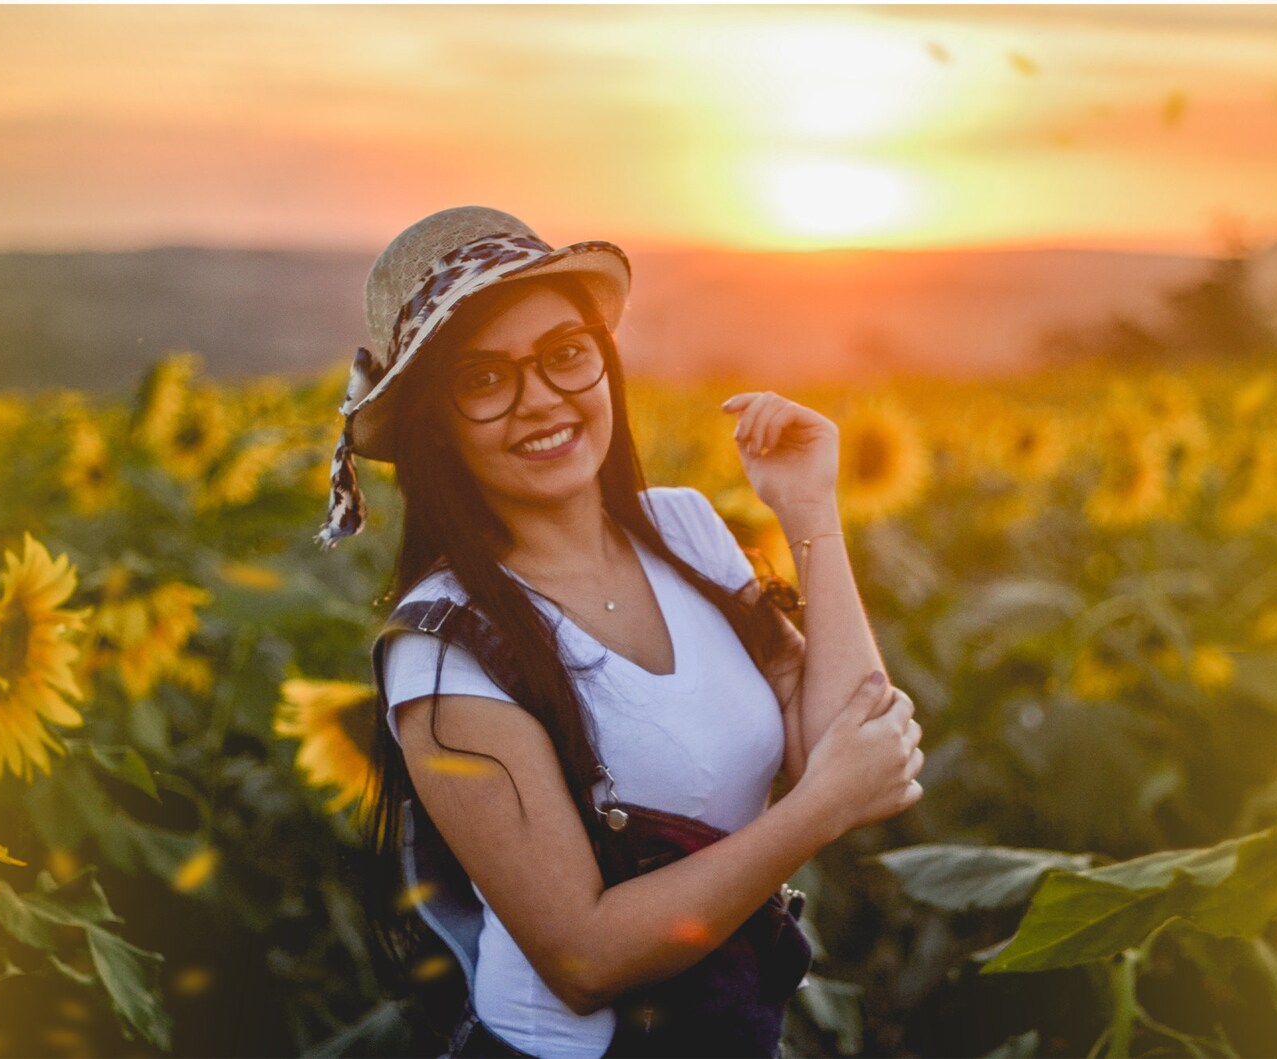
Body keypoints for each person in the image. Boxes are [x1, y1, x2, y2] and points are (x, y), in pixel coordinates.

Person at [319, 206, 924, 1059]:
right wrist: (819, 809)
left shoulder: (684, 530)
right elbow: (583, 955)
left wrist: (810, 509)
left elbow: (851, 736)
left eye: (567, 354)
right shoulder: (447, 650)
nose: (541, 399)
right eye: (483, 378)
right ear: (434, 424)